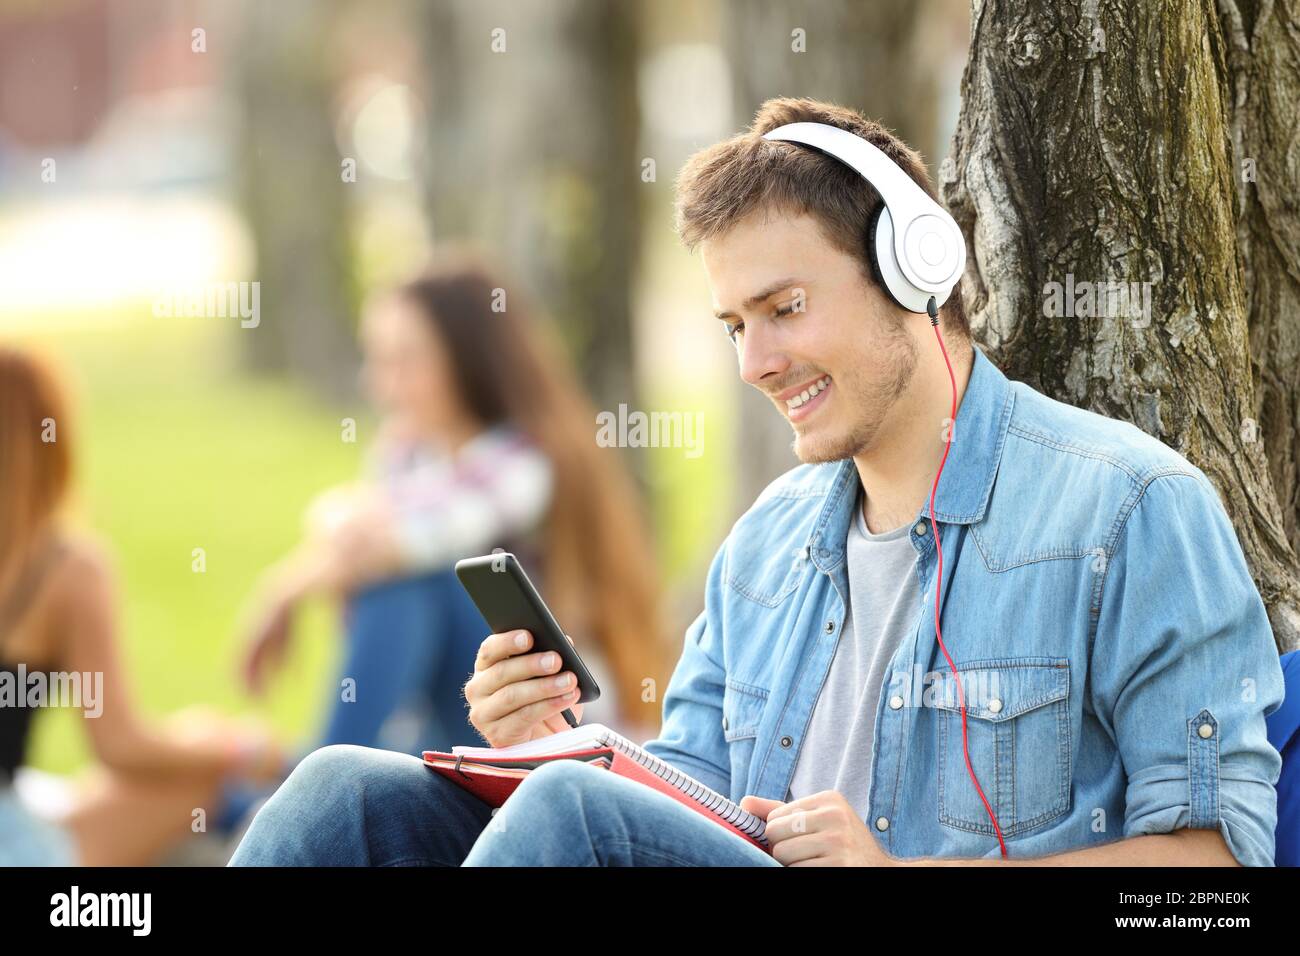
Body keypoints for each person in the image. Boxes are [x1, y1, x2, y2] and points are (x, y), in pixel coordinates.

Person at [229, 97, 1285, 867]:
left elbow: (1215, 875)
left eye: (784, 308)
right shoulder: (768, 542)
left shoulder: (1131, 507)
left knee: (568, 821)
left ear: (914, 269)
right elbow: (677, 803)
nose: (754, 363)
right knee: (342, 792)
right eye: (735, 325)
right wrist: (558, 750)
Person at [221, 251, 671, 831]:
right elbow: (340, 522)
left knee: (416, 577)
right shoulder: (410, 455)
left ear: (467, 361)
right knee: (404, 580)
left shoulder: (523, 460)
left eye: (405, 361)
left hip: (548, 727)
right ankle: (298, 784)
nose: (380, 384)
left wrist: (282, 590)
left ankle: (305, 793)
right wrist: (311, 567)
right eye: (378, 360)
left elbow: (402, 543)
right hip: (454, 715)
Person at [0, 346, 283, 867]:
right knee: (196, 775)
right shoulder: (64, 567)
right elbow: (119, 745)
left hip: (20, 803)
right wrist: (237, 748)